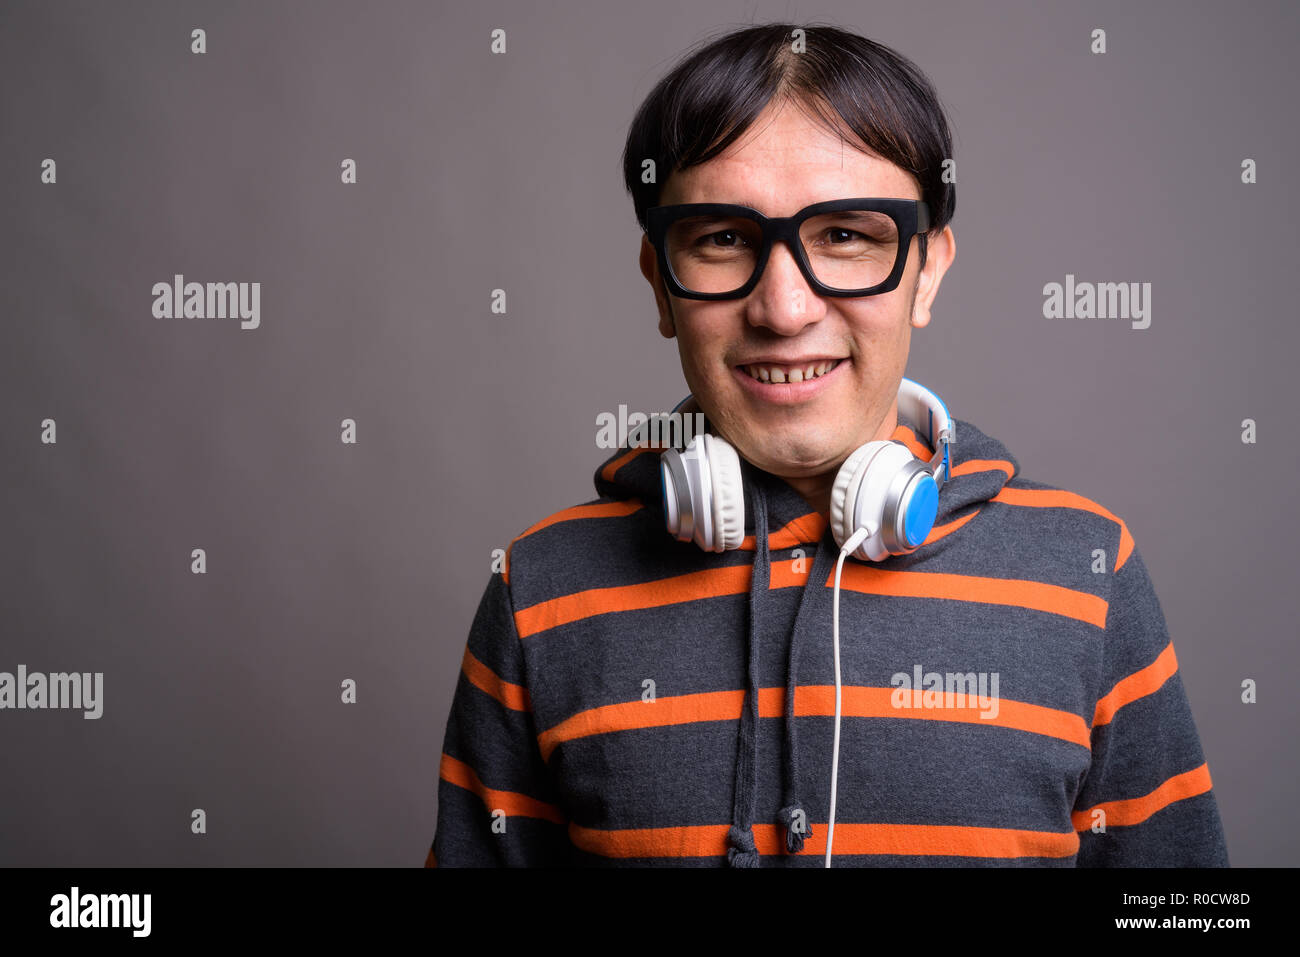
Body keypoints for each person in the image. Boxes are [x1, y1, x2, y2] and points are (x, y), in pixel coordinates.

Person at [425, 22, 1228, 867]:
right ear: (661, 283)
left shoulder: (1089, 572)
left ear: (927, 272)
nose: (784, 308)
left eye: (846, 236)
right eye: (723, 238)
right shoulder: (539, 588)